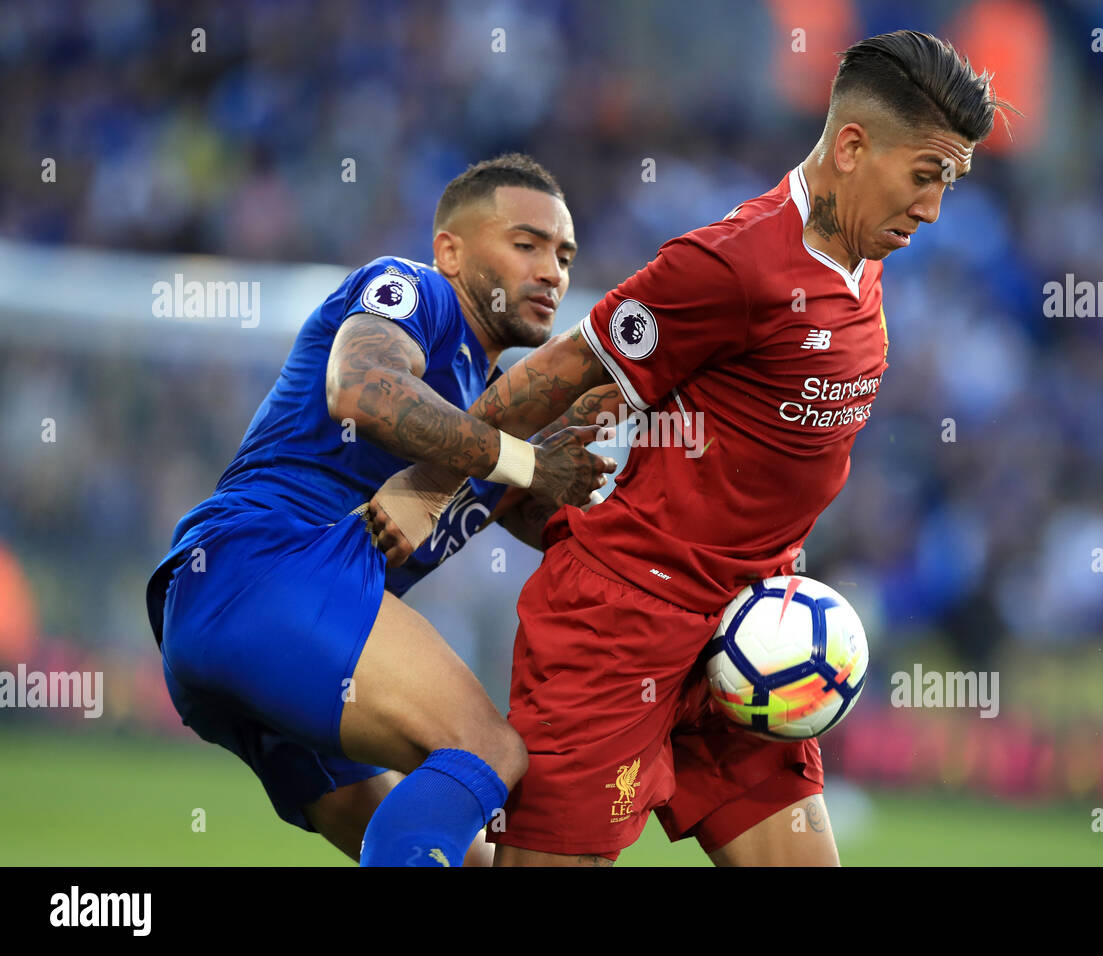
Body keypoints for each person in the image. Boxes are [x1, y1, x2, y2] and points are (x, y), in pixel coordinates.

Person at [371, 31, 1015, 865]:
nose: (932, 209)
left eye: (949, 184)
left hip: (754, 632)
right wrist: (425, 486)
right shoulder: (735, 265)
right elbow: (564, 369)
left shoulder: (865, 254)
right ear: (852, 147)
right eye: (926, 177)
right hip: (621, 625)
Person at [143, 153, 616, 867]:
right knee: (487, 748)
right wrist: (523, 461)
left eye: (564, 254)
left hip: (259, 633)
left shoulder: (485, 410)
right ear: (450, 250)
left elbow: (556, 521)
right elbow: (362, 388)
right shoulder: (413, 293)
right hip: (264, 569)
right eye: (526, 244)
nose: (551, 271)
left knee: (463, 855)